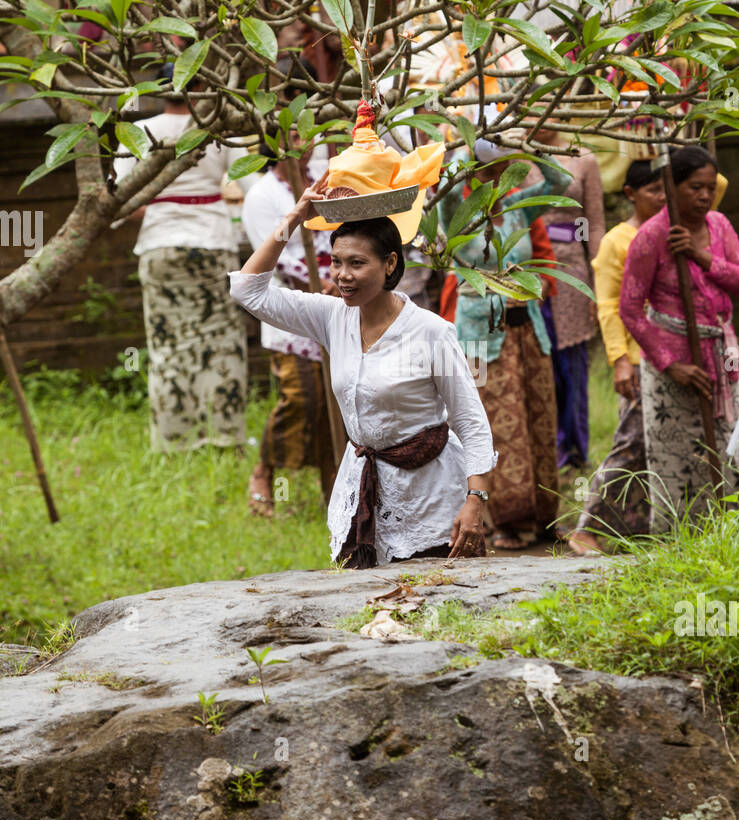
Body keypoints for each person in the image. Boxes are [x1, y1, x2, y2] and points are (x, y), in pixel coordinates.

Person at [229, 208, 496, 568]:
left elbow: (469, 420)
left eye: (356, 263)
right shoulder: (333, 316)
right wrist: (296, 215)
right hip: (364, 488)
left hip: (429, 497)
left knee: (431, 603)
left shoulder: (432, 332)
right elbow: (247, 290)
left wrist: (475, 499)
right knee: (370, 609)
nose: (342, 276)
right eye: (336, 262)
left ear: (389, 263)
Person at [619, 145, 739, 532]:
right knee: (678, 465)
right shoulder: (650, 237)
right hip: (673, 374)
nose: (704, 196)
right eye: (695, 187)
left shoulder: (719, 226)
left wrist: (702, 256)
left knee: (733, 452)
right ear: (671, 187)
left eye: (710, 188)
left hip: (721, 358)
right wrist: (671, 364)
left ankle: (731, 536)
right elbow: (629, 309)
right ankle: (677, 544)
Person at [438, 151, 571, 550]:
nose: (494, 179)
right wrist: (469, 145)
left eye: (500, 170)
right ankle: (506, 523)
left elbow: (559, 185)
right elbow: (441, 184)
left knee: (539, 417)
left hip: (527, 329)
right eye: (485, 171)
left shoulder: (516, 208)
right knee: (495, 423)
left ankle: (545, 517)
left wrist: (526, 146)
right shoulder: (457, 213)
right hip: (480, 336)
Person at [114, 82, 249, 451]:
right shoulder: (212, 127)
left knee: (166, 345)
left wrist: (163, 205)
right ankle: (225, 436)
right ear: (198, 91)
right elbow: (246, 181)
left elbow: (121, 197)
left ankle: (175, 441)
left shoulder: (137, 132)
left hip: (159, 245)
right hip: (213, 241)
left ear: (159, 93)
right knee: (222, 341)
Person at [566, 160, 666, 555]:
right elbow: (607, 304)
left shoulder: (674, 232)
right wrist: (619, 359)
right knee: (630, 442)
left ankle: (638, 526)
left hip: (671, 355)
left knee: (657, 445)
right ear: (630, 194)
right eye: (654, 190)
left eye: (666, 189)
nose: (662, 198)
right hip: (637, 356)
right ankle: (585, 527)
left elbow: (716, 181)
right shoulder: (616, 240)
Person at [241, 141, 336, 517]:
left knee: (336, 406)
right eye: (292, 135)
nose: (302, 143)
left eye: (306, 133)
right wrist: (325, 284)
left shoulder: (327, 180)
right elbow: (274, 256)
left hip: (335, 307)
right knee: (301, 399)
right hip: (291, 316)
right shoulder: (262, 196)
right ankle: (264, 472)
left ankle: (335, 490)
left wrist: (342, 281)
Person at [540, 150, 605, 470]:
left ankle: (576, 450)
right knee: (540, 363)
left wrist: (599, 284)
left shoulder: (584, 159)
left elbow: (594, 227)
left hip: (572, 268)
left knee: (573, 363)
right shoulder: (512, 155)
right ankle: (546, 449)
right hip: (526, 268)